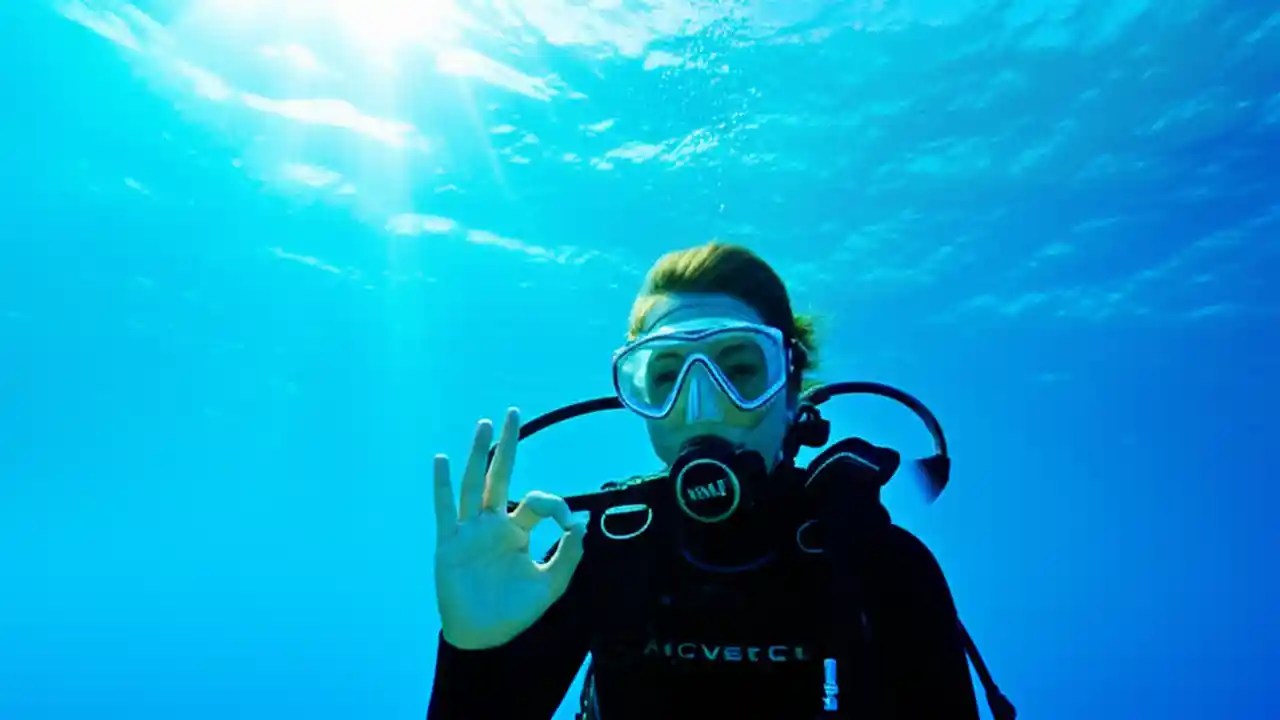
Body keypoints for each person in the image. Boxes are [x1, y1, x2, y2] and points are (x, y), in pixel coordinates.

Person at [427, 242, 1013, 719]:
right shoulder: (593, 558)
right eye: (665, 377)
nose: (702, 407)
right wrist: (474, 652)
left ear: (790, 388)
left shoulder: (881, 568)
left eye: (739, 370)